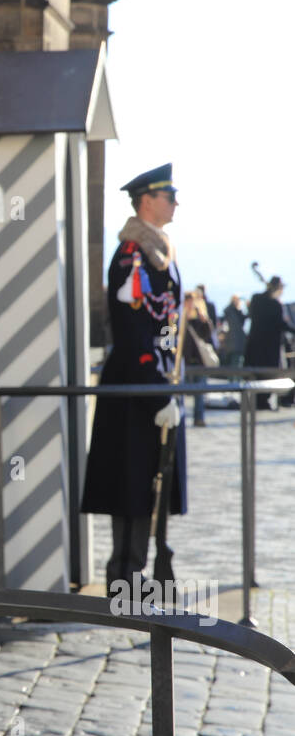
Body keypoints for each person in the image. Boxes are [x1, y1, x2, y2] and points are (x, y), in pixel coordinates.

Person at [81, 163, 187, 593]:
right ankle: (124, 578)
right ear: (147, 200)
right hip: (136, 384)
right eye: (169, 195)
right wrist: (156, 390)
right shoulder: (133, 253)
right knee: (130, 485)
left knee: (148, 485)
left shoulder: (157, 248)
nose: (176, 202)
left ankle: (137, 574)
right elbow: (132, 329)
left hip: (154, 381)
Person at [245, 274, 286, 409]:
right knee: (267, 376)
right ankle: (263, 401)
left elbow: (250, 315)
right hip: (269, 350)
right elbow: (281, 324)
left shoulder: (257, 299)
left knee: (257, 376)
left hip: (255, 347)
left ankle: (260, 401)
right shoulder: (275, 305)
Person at [183, 290, 218, 426]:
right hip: (184, 361)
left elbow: (208, 336)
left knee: (200, 393)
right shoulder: (178, 319)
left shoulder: (199, 319)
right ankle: (180, 418)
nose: (191, 305)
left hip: (199, 360)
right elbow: (168, 336)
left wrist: (205, 321)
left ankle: (199, 418)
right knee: (179, 391)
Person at [222, 295, 247, 367]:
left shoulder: (239, 312)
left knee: (238, 362)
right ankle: (234, 378)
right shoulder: (230, 311)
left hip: (239, 342)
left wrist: (248, 306)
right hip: (232, 342)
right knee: (234, 363)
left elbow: (248, 316)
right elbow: (226, 310)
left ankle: (236, 378)